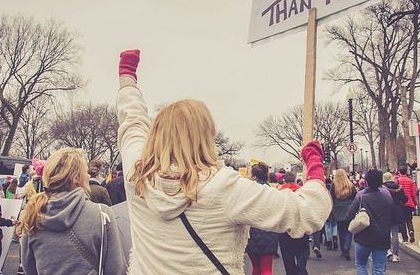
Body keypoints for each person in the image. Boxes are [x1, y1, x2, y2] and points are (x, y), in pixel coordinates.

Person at [116, 48, 331, 275]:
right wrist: (314, 162)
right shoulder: (222, 187)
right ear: (206, 137)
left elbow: (132, 121)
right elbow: (307, 212)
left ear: (156, 134)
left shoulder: (137, 175)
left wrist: (127, 78)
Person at [20, 147, 127, 275]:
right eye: (85, 171)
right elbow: (116, 270)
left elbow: (29, 269)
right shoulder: (102, 215)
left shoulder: (33, 215)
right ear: (76, 178)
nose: (88, 175)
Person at [344, 169, 394, 275]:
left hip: (363, 237)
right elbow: (395, 219)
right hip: (382, 237)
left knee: (361, 264)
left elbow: (348, 216)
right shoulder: (388, 198)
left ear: (366, 181)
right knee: (379, 268)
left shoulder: (361, 198)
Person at [245, 163, 279, 275]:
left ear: (254, 176)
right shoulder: (273, 192)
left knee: (255, 268)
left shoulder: (248, 193)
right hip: (269, 232)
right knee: (266, 269)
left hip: (252, 232)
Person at [277, 172, 311, 275]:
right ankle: (301, 271)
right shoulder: (302, 191)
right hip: (302, 227)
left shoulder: (278, 193)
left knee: (288, 258)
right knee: (302, 254)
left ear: (284, 180)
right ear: (295, 179)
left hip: (285, 229)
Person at [331, 168, 357, 260]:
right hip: (349, 208)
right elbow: (355, 197)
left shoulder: (334, 185)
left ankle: (343, 249)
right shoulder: (350, 185)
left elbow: (331, 197)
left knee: (341, 230)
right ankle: (347, 247)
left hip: (338, 210)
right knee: (349, 230)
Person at [383, 171, 407, 262]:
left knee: (386, 232)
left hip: (386, 211)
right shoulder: (398, 187)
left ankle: (388, 250)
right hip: (397, 211)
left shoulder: (382, 188)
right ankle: (396, 254)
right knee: (395, 233)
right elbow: (404, 199)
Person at [396, 166, 417, 243]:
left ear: (399, 172)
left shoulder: (397, 181)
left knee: (402, 221)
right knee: (409, 220)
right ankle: (411, 233)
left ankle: (405, 238)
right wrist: (415, 203)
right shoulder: (411, 181)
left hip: (400, 204)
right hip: (409, 203)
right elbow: (414, 193)